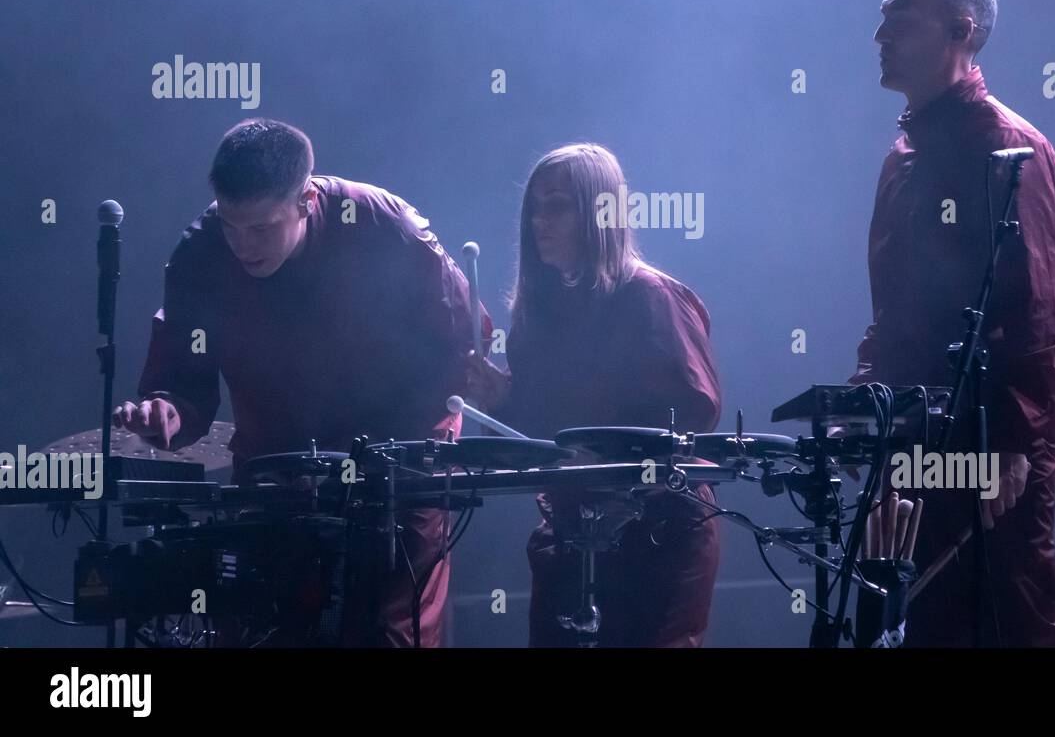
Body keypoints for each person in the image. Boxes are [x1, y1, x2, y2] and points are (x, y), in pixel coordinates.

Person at [113, 118, 485, 646]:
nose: (242, 245)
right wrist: (166, 411)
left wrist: (396, 453)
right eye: (231, 225)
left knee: (387, 623)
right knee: (259, 623)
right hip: (275, 467)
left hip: (398, 467)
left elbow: (464, 348)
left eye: (262, 228)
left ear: (306, 200)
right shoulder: (199, 255)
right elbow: (182, 385)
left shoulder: (387, 227)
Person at [850, 0, 1055, 646]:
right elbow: (895, 312)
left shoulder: (1010, 148)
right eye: (882, 15)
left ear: (962, 28)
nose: (879, 33)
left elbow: (1043, 313)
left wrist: (1012, 445)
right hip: (916, 440)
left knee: (1005, 622)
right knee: (915, 623)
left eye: (900, 14)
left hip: (989, 441)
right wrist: (864, 402)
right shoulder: (904, 158)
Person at [468, 143, 722, 647]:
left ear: (598, 209)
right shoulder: (537, 317)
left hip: (658, 532)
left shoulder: (650, 297)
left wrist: (607, 454)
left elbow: (695, 409)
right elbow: (547, 431)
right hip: (570, 532)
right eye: (535, 207)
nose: (540, 220)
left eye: (557, 204)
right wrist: (502, 402)